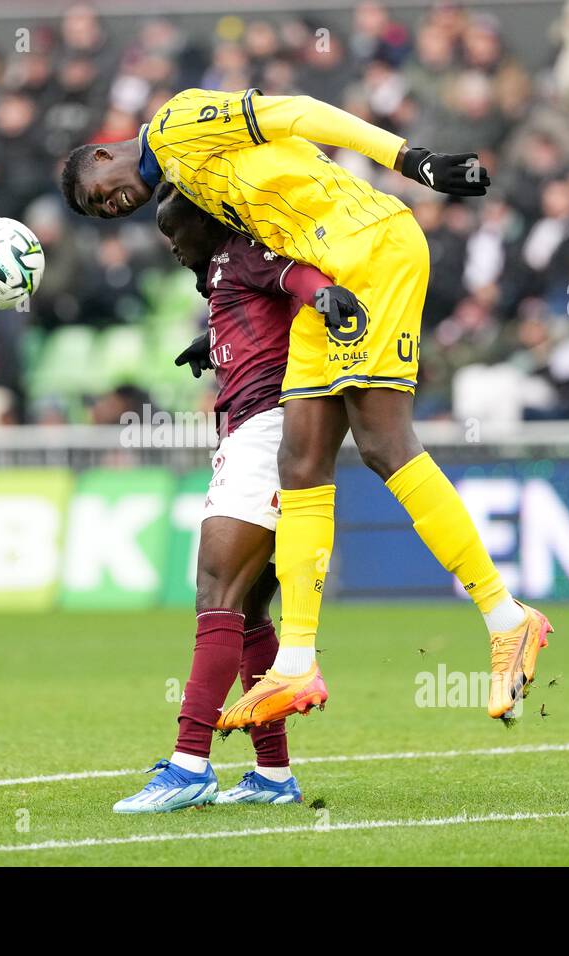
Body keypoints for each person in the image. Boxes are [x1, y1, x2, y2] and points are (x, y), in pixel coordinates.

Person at [60, 87, 550, 726]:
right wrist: (220, 333)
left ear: (103, 154)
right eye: (102, 215)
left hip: (373, 247)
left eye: (101, 194)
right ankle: (294, 662)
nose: (113, 206)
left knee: (383, 444)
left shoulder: (177, 123)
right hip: (333, 274)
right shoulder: (191, 179)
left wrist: (412, 161)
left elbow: (298, 111)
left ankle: (505, 616)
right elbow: (265, 253)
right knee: (300, 462)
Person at [115, 185, 364, 812]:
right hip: (255, 429)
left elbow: (294, 276)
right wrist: (217, 342)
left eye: (176, 234)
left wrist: (324, 295)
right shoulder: (222, 273)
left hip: (267, 431)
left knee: (215, 592)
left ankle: (189, 762)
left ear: (204, 222)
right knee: (249, 610)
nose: (173, 248)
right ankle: (273, 774)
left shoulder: (239, 251)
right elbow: (267, 310)